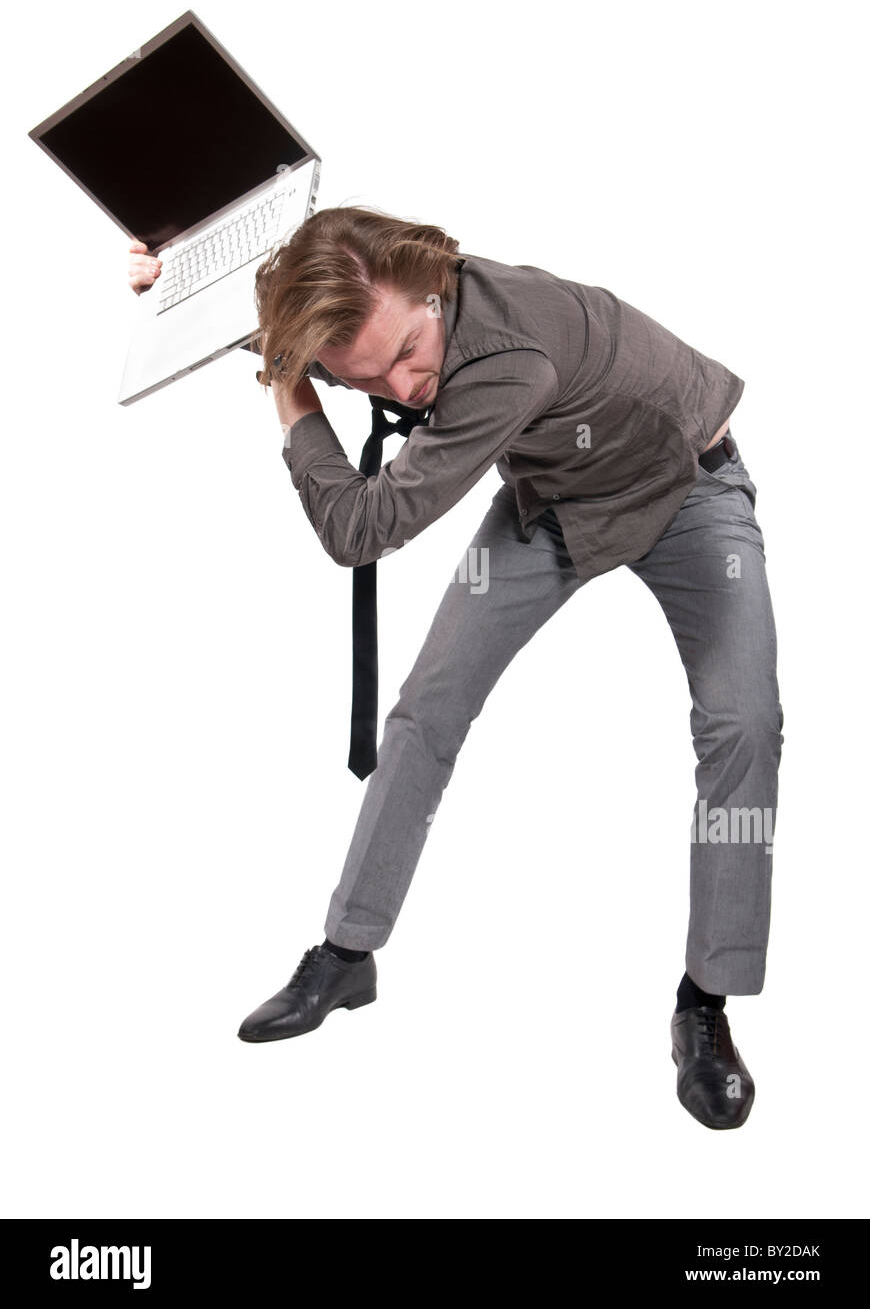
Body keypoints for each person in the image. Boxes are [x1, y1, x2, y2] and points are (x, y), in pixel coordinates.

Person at [127, 208, 784, 1130]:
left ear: (428, 283)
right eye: (368, 378)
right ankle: (348, 953)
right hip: (555, 497)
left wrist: (290, 398)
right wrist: (178, 284)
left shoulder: (512, 357)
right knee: (428, 707)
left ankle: (705, 1005)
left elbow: (358, 528)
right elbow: (279, 322)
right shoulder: (376, 308)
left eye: (407, 352)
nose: (404, 384)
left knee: (743, 723)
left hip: (686, 487)